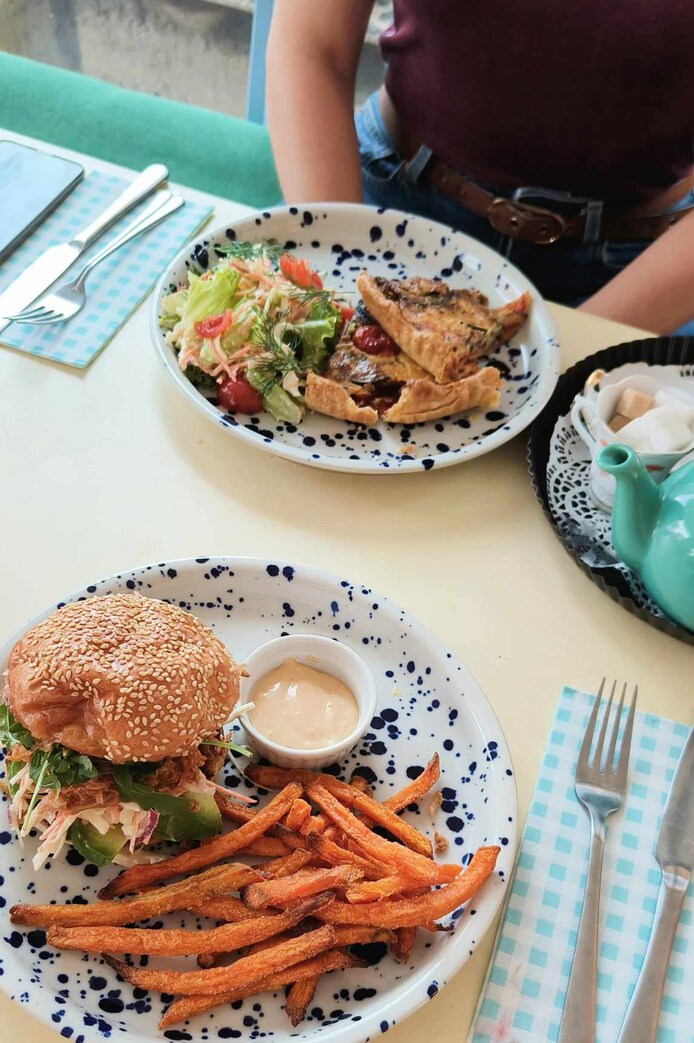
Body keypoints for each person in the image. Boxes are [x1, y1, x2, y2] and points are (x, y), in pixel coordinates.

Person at [266, 0, 694, 334]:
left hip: (640, 273)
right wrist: (341, 277)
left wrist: (565, 350)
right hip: (380, 209)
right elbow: (310, 46)